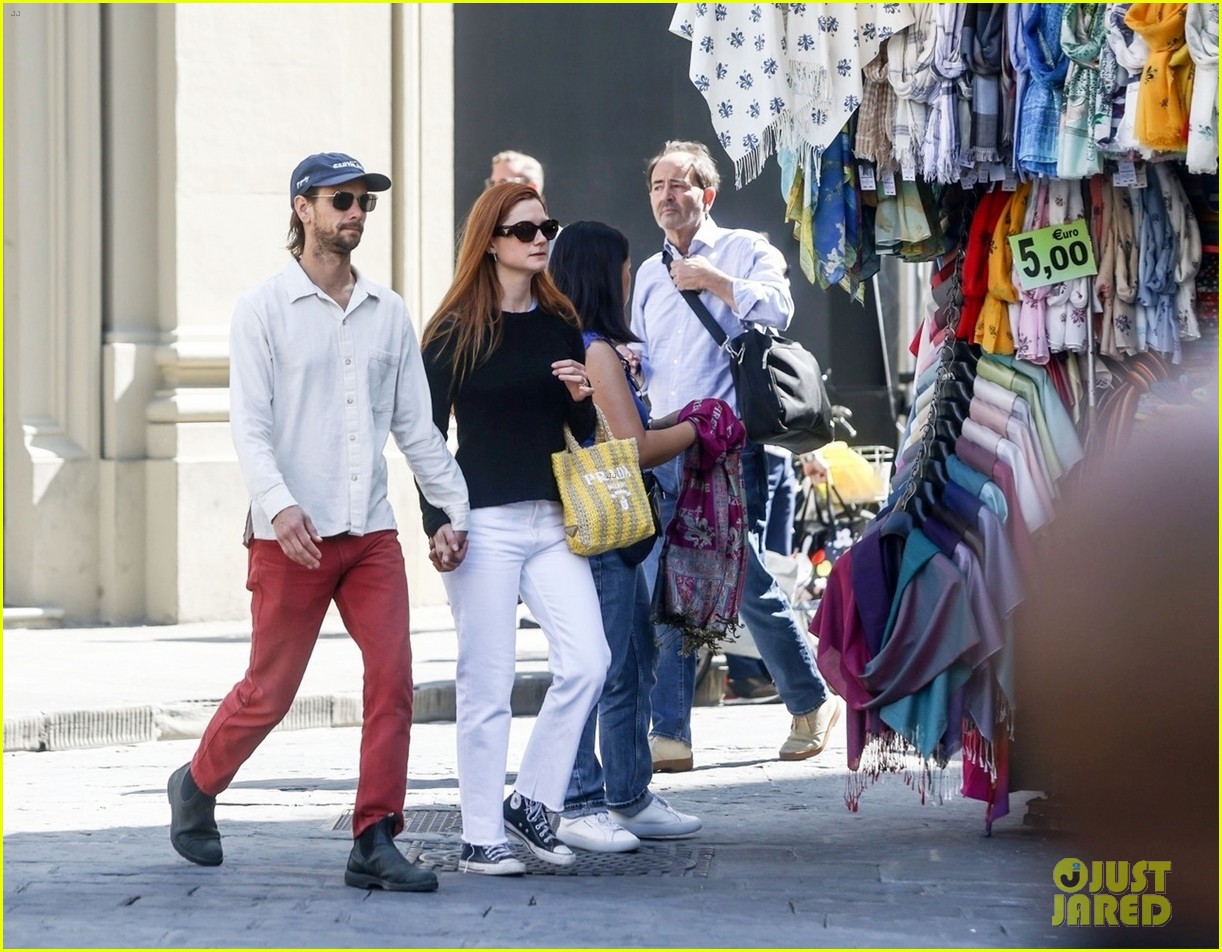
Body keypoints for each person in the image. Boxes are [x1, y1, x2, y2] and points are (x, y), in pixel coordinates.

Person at [167, 152, 471, 894]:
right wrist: (279, 504)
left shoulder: (389, 311)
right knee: (270, 690)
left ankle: (374, 836)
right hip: (289, 537)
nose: (356, 214)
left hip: (368, 534)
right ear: (303, 208)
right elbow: (250, 426)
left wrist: (452, 507)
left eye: (365, 202)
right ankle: (197, 784)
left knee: (394, 679)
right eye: (343, 200)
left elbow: (416, 425)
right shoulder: (262, 309)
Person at [630, 140, 842, 772]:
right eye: (658, 186)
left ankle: (809, 698)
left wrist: (713, 282)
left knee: (742, 579)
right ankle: (671, 733)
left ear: (707, 194)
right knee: (675, 581)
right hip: (668, 443)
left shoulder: (745, 248)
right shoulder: (646, 272)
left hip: (728, 445)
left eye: (679, 185)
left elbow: (778, 309)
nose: (667, 195)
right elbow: (647, 355)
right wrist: (630, 362)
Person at [420, 183, 610, 876]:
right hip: (485, 525)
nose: (539, 238)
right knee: (486, 681)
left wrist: (580, 400)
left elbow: (582, 433)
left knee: (589, 660)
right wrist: (437, 520)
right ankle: (480, 835)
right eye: (524, 228)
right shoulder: (452, 332)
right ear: (491, 240)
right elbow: (425, 437)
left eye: (545, 226)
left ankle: (531, 802)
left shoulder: (561, 323)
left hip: (554, 518)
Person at [546, 221, 703, 852]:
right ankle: (589, 797)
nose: (630, 275)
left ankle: (626, 793)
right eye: (625, 265)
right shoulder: (598, 349)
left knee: (623, 657)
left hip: (589, 523)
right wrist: (701, 428)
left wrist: (676, 418)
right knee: (610, 665)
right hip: (606, 527)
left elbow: (622, 426)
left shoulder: (573, 341)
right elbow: (632, 448)